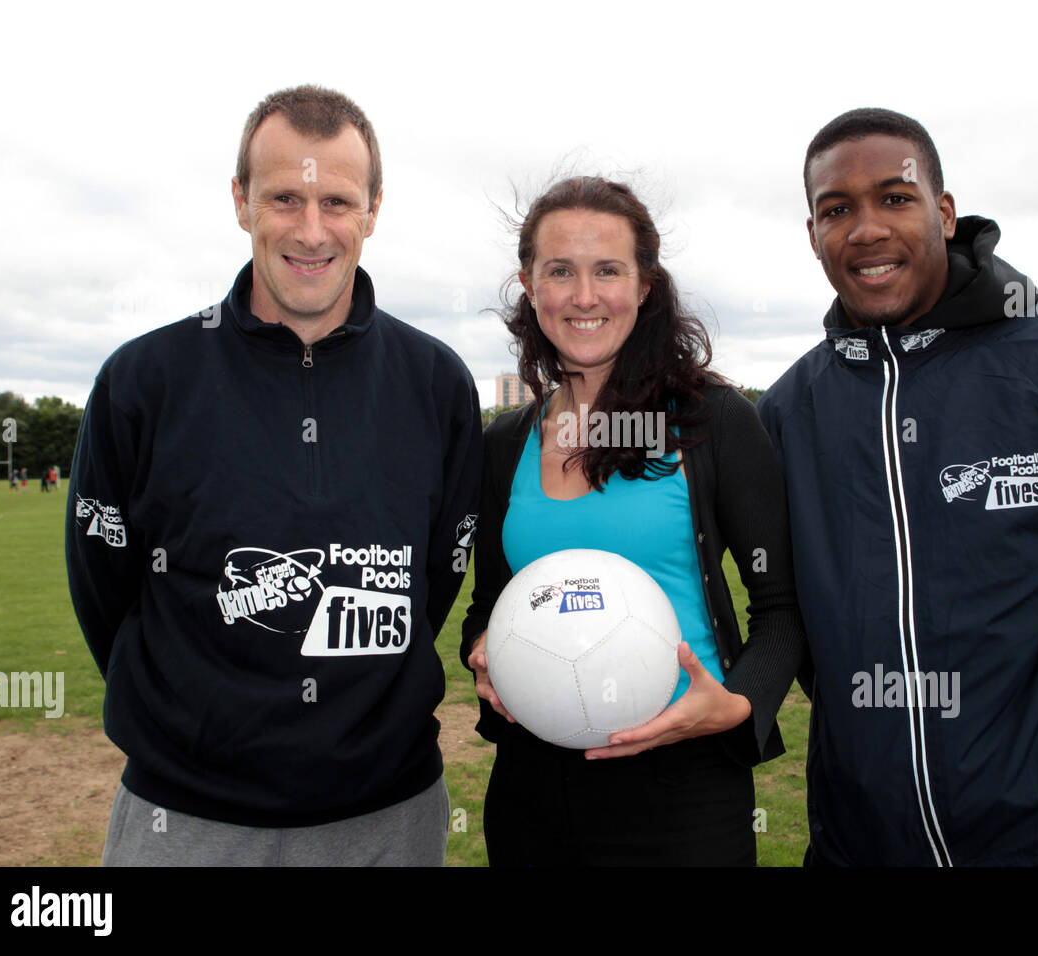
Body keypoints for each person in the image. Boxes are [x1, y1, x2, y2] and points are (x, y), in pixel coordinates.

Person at [757, 108, 1038, 866]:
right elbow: (793, 618)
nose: (865, 229)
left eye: (894, 197)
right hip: (862, 842)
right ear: (812, 234)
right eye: (837, 209)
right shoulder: (788, 410)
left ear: (943, 210)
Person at [65, 85, 482, 866]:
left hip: (388, 815)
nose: (312, 231)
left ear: (375, 210)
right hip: (186, 818)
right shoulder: (144, 380)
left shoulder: (437, 383)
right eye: (285, 198)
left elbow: (435, 584)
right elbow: (104, 588)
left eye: (338, 201)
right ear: (240, 200)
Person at [461, 176, 804, 866]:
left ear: (644, 285)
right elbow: (488, 605)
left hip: (683, 795)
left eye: (608, 270)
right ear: (530, 285)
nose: (584, 297)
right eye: (560, 271)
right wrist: (480, 651)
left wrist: (737, 706)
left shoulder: (713, 424)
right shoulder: (507, 444)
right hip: (533, 784)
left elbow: (782, 608)